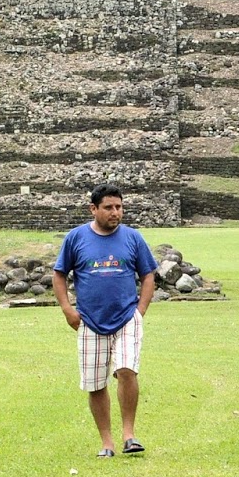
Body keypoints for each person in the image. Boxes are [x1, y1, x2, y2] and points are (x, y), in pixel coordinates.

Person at [52, 183, 157, 458]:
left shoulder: (133, 238)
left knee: (127, 370)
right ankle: (107, 443)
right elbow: (59, 274)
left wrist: (140, 310)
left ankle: (129, 435)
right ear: (93, 209)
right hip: (89, 320)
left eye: (119, 207)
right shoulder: (75, 238)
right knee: (95, 383)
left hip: (127, 317)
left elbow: (148, 275)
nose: (115, 212)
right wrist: (67, 309)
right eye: (109, 207)